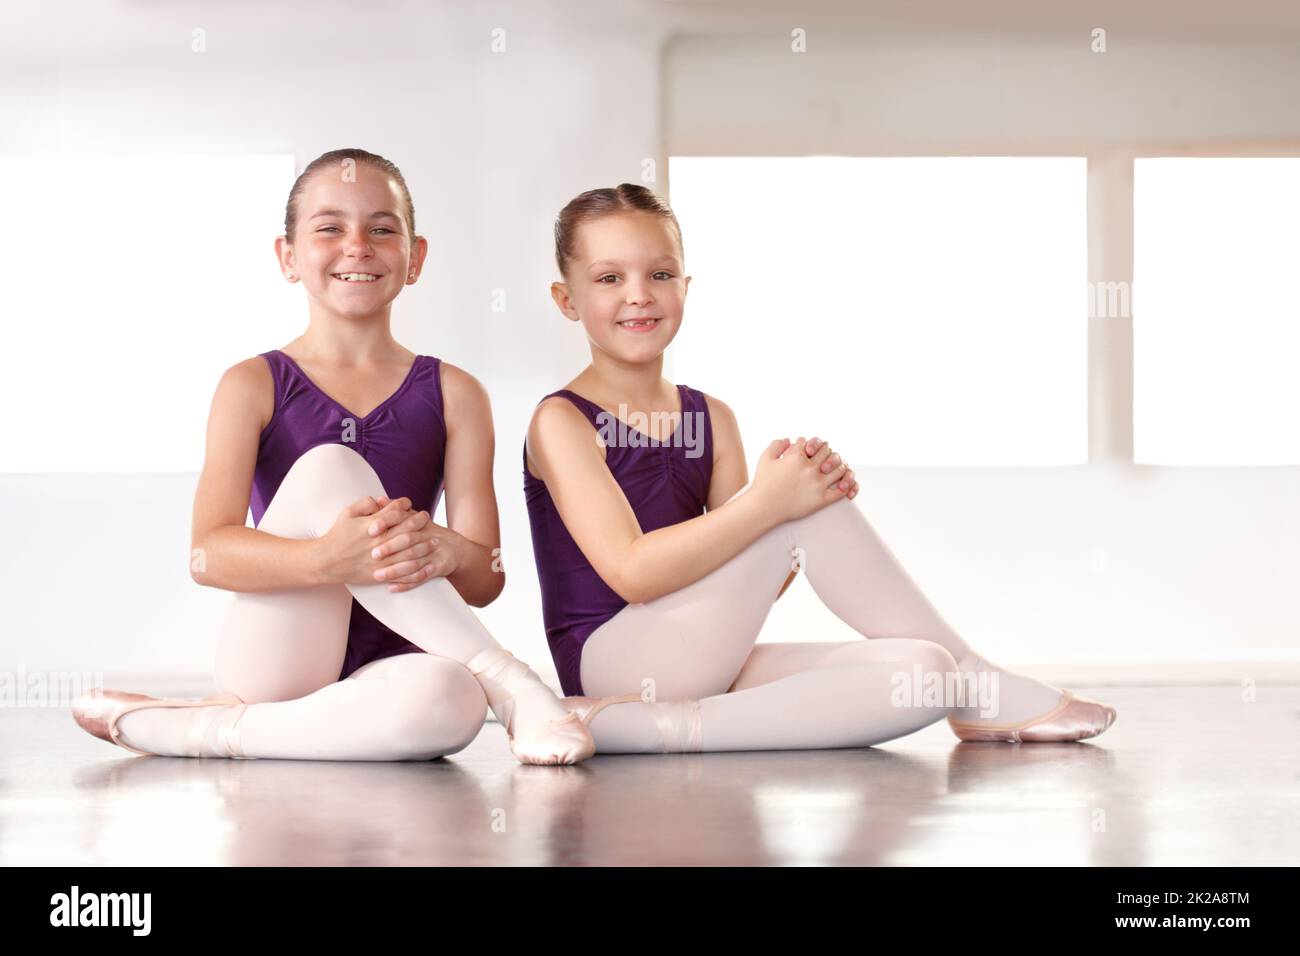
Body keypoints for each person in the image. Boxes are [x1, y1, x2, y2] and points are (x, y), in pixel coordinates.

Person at [522, 183, 1118, 753]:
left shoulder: (713, 416)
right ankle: (980, 681)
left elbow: (758, 583)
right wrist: (776, 506)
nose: (639, 294)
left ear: (686, 284)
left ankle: (651, 729)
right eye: (608, 278)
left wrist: (803, 513)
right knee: (792, 504)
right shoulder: (561, 421)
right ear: (566, 299)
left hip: (694, 655)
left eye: (660, 274)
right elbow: (632, 572)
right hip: (611, 657)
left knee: (922, 674)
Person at [70, 149, 594, 766]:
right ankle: (512, 683)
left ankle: (206, 730)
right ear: (288, 257)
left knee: (451, 702)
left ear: (415, 257)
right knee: (329, 465)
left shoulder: (456, 394)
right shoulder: (253, 384)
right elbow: (207, 554)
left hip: (393, 666)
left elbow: (486, 579)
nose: (357, 246)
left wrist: (450, 549)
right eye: (329, 228)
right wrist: (324, 559)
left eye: (381, 228)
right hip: (280, 657)